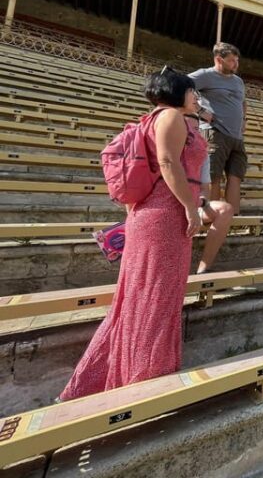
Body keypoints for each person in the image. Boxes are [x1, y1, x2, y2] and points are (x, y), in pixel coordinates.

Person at [59, 68, 206, 401]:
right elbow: (169, 163)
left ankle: (128, 378)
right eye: (192, 92)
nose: (196, 98)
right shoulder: (171, 117)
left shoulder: (154, 120)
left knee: (144, 299)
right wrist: (190, 208)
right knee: (154, 300)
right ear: (178, 92)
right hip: (165, 216)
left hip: (152, 216)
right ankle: (146, 379)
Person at [190, 42, 247, 215]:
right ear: (218, 60)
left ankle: (232, 218)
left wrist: (244, 120)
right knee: (213, 177)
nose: (236, 64)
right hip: (215, 132)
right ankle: (212, 217)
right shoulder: (205, 75)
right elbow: (178, 86)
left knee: (236, 176)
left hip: (237, 137)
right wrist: (199, 110)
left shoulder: (238, 81)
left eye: (237, 60)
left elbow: (243, 102)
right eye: (232, 61)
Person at [183, 102, 235, 274]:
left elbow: (205, 187)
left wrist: (201, 203)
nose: (193, 134)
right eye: (189, 129)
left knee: (225, 209)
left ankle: (204, 268)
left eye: (196, 130)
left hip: (194, 204)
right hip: (169, 205)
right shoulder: (167, 149)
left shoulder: (202, 153)